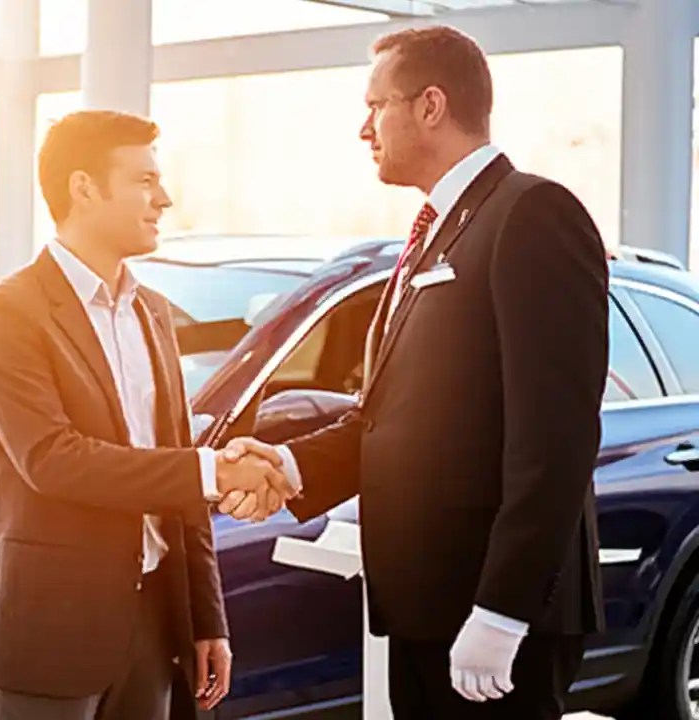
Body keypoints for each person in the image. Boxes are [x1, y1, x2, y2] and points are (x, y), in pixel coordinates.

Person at [220, 25, 608, 719]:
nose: (362, 128)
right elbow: (396, 418)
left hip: (487, 622)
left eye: (375, 106)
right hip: (426, 610)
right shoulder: (436, 230)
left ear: (431, 106)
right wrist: (286, 462)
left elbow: (555, 439)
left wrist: (502, 613)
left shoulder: (531, 215)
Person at [0, 109, 292, 720]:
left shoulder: (153, 312)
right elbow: (51, 461)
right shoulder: (7, 313)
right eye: (144, 181)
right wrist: (214, 471)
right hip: (53, 632)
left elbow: (176, 471)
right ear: (84, 188)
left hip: (154, 627)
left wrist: (206, 620)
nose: (163, 199)